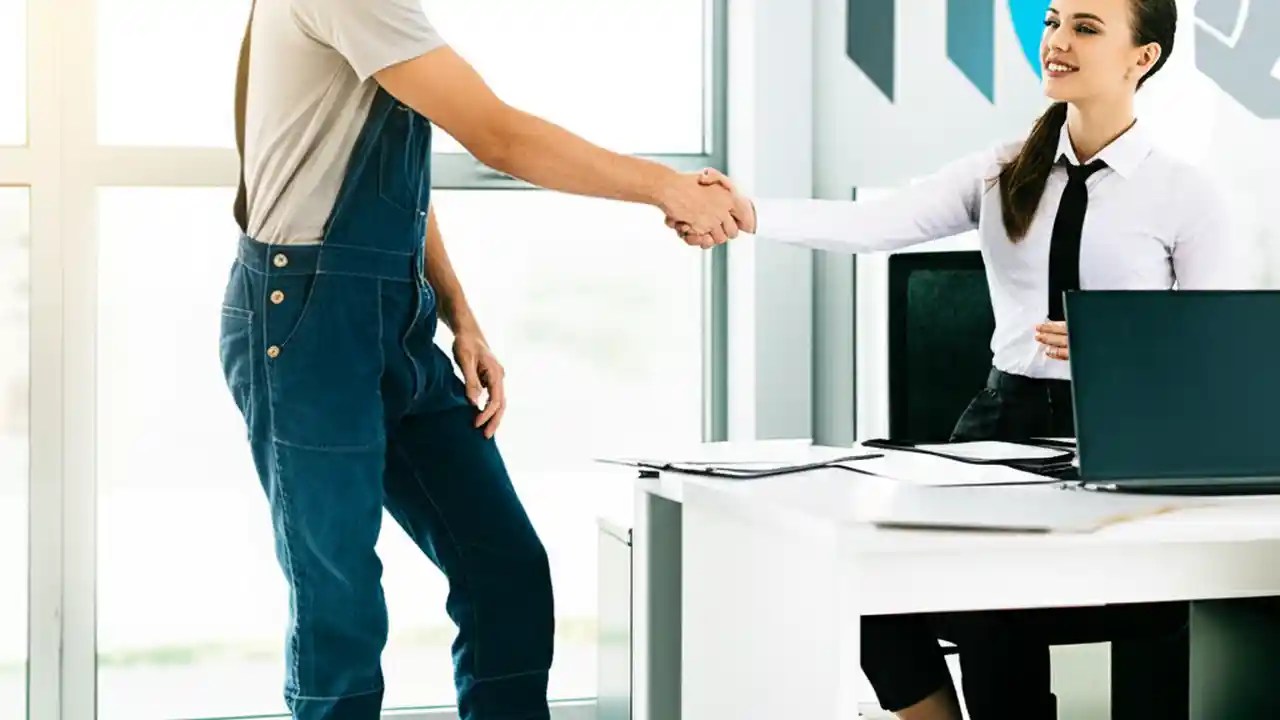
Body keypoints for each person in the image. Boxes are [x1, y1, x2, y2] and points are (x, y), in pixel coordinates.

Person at [679, 0, 1248, 718]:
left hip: (1118, 435)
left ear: (1144, 57)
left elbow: (1220, 352)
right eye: (1052, 22)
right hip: (998, 423)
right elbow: (876, 225)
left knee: (990, 601)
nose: (1057, 42)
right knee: (868, 574)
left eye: (1086, 27)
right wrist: (750, 212)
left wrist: (1128, 347)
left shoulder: (1185, 193)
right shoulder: (1004, 169)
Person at [219, 1, 738, 719]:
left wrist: (459, 315)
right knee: (338, 599)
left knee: (506, 571)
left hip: (396, 319)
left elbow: (402, 184)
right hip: (306, 323)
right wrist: (666, 187)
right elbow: (498, 137)